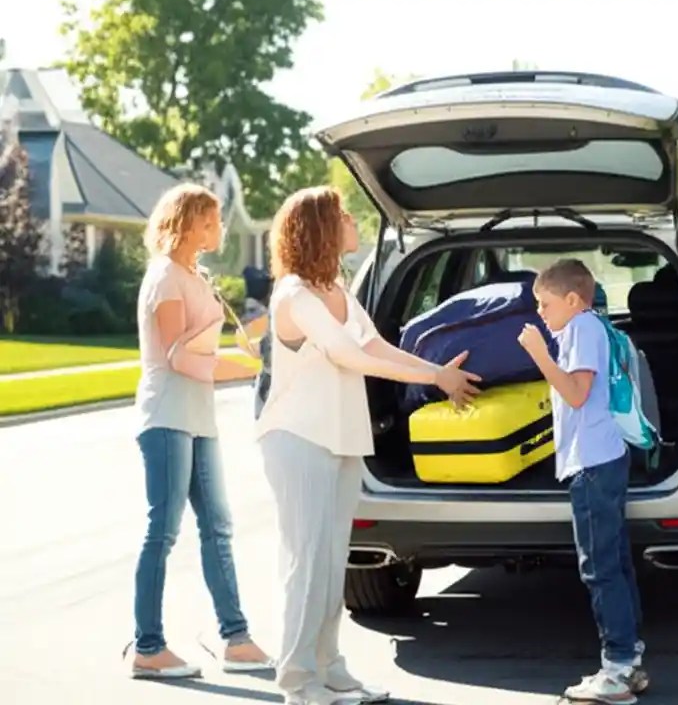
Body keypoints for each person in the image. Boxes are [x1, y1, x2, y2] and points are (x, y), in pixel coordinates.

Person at [256, 186, 481, 705]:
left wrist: (437, 374)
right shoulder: (295, 295)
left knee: (333, 560)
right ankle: (298, 682)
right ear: (319, 229)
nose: (354, 222)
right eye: (344, 216)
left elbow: (374, 343)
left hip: (339, 438)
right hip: (297, 439)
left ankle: (330, 667)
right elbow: (348, 355)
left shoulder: (334, 287)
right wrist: (435, 379)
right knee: (307, 562)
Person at [129, 183, 273, 678]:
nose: (220, 227)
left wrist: (271, 326)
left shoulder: (195, 275)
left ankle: (236, 639)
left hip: (199, 419)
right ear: (187, 222)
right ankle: (147, 647)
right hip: (167, 417)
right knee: (163, 533)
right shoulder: (165, 277)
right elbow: (177, 357)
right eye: (211, 220)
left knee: (217, 528)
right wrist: (247, 372)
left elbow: (215, 339)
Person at [516, 258, 648, 705]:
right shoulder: (584, 327)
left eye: (545, 303)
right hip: (603, 457)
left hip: (592, 462)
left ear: (573, 300)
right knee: (615, 560)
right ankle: (630, 661)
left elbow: (576, 392)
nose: (541, 313)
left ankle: (616, 668)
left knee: (599, 567)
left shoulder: (581, 331)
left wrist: (539, 355)